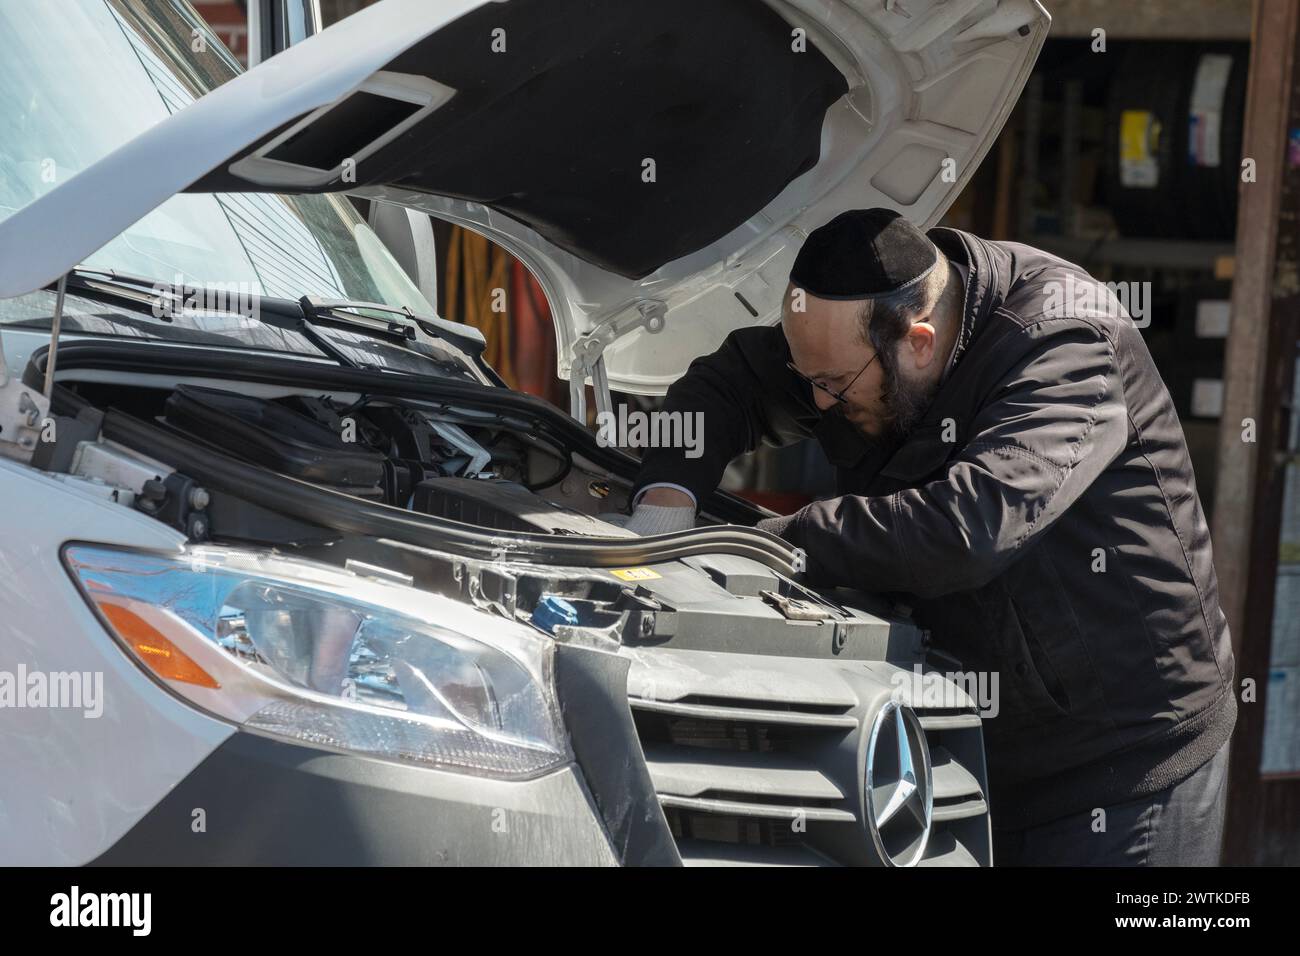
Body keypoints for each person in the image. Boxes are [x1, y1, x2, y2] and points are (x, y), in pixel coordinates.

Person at [620, 208, 1237, 866]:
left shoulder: (1064, 339)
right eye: (810, 382)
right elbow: (729, 385)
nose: (819, 403)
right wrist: (665, 501)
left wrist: (768, 544)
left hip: (1124, 765)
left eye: (833, 385)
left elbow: (968, 527)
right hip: (969, 752)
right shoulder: (857, 339)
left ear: (916, 342)